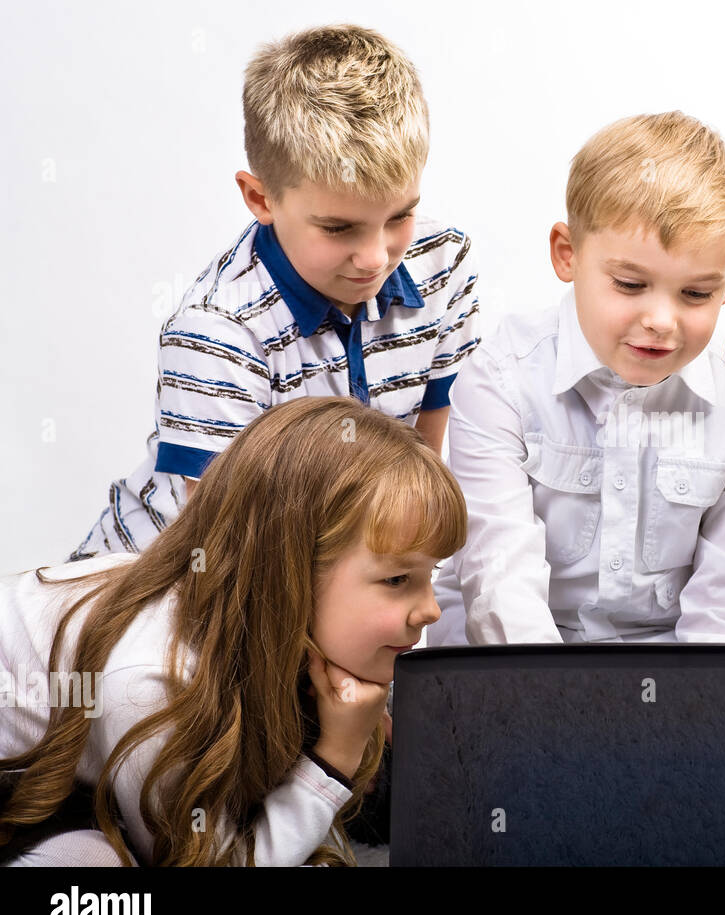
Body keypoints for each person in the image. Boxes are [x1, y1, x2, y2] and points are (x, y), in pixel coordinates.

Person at [72, 24, 480, 559]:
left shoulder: (444, 265)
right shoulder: (216, 329)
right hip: (160, 587)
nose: (377, 257)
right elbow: (226, 554)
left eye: (399, 216)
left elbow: (425, 484)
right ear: (260, 197)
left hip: (322, 574)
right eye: (338, 228)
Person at [2, 397, 465, 865]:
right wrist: (334, 761)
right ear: (291, 572)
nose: (430, 610)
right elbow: (205, 861)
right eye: (397, 580)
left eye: (431, 574)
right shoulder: (152, 680)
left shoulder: (274, 638)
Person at [427, 111, 725, 645]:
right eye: (629, 283)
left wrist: (695, 722)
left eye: (695, 294)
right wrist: (564, 718)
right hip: (510, 672)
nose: (662, 322)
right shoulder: (502, 377)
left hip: (669, 685)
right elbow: (500, 587)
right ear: (566, 254)